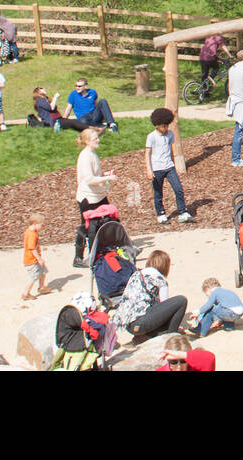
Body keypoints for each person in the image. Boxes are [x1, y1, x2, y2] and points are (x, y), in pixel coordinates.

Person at [113, 250, 188, 340]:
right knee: (181, 301)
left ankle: (145, 336)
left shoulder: (136, 274)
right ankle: (171, 336)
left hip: (129, 325)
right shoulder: (160, 279)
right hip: (140, 322)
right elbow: (165, 304)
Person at [73, 128, 116, 268]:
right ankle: (79, 257)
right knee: (86, 226)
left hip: (98, 195)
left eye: (97, 137)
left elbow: (96, 174)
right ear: (87, 141)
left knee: (111, 217)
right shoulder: (85, 156)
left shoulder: (93, 154)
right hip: (88, 197)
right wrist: (107, 177)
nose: (98, 140)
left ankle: (111, 248)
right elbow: (89, 179)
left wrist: (105, 174)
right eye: (94, 139)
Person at [145, 107, 193, 224]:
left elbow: (170, 149)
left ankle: (182, 212)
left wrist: (174, 164)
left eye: (167, 125)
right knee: (158, 193)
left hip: (169, 167)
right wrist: (149, 170)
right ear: (157, 125)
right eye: (163, 126)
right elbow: (147, 154)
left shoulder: (170, 134)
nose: (165, 128)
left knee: (178, 189)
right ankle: (161, 213)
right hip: (157, 168)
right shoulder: (151, 137)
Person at [20, 211, 52, 300]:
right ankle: (25, 293)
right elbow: (32, 248)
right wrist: (39, 259)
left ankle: (41, 287)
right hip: (31, 261)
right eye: (41, 225)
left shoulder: (30, 231)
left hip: (35, 259)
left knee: (44, 271)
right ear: (35, 224)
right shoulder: (31, 235)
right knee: (34, 277)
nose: (41, 227)